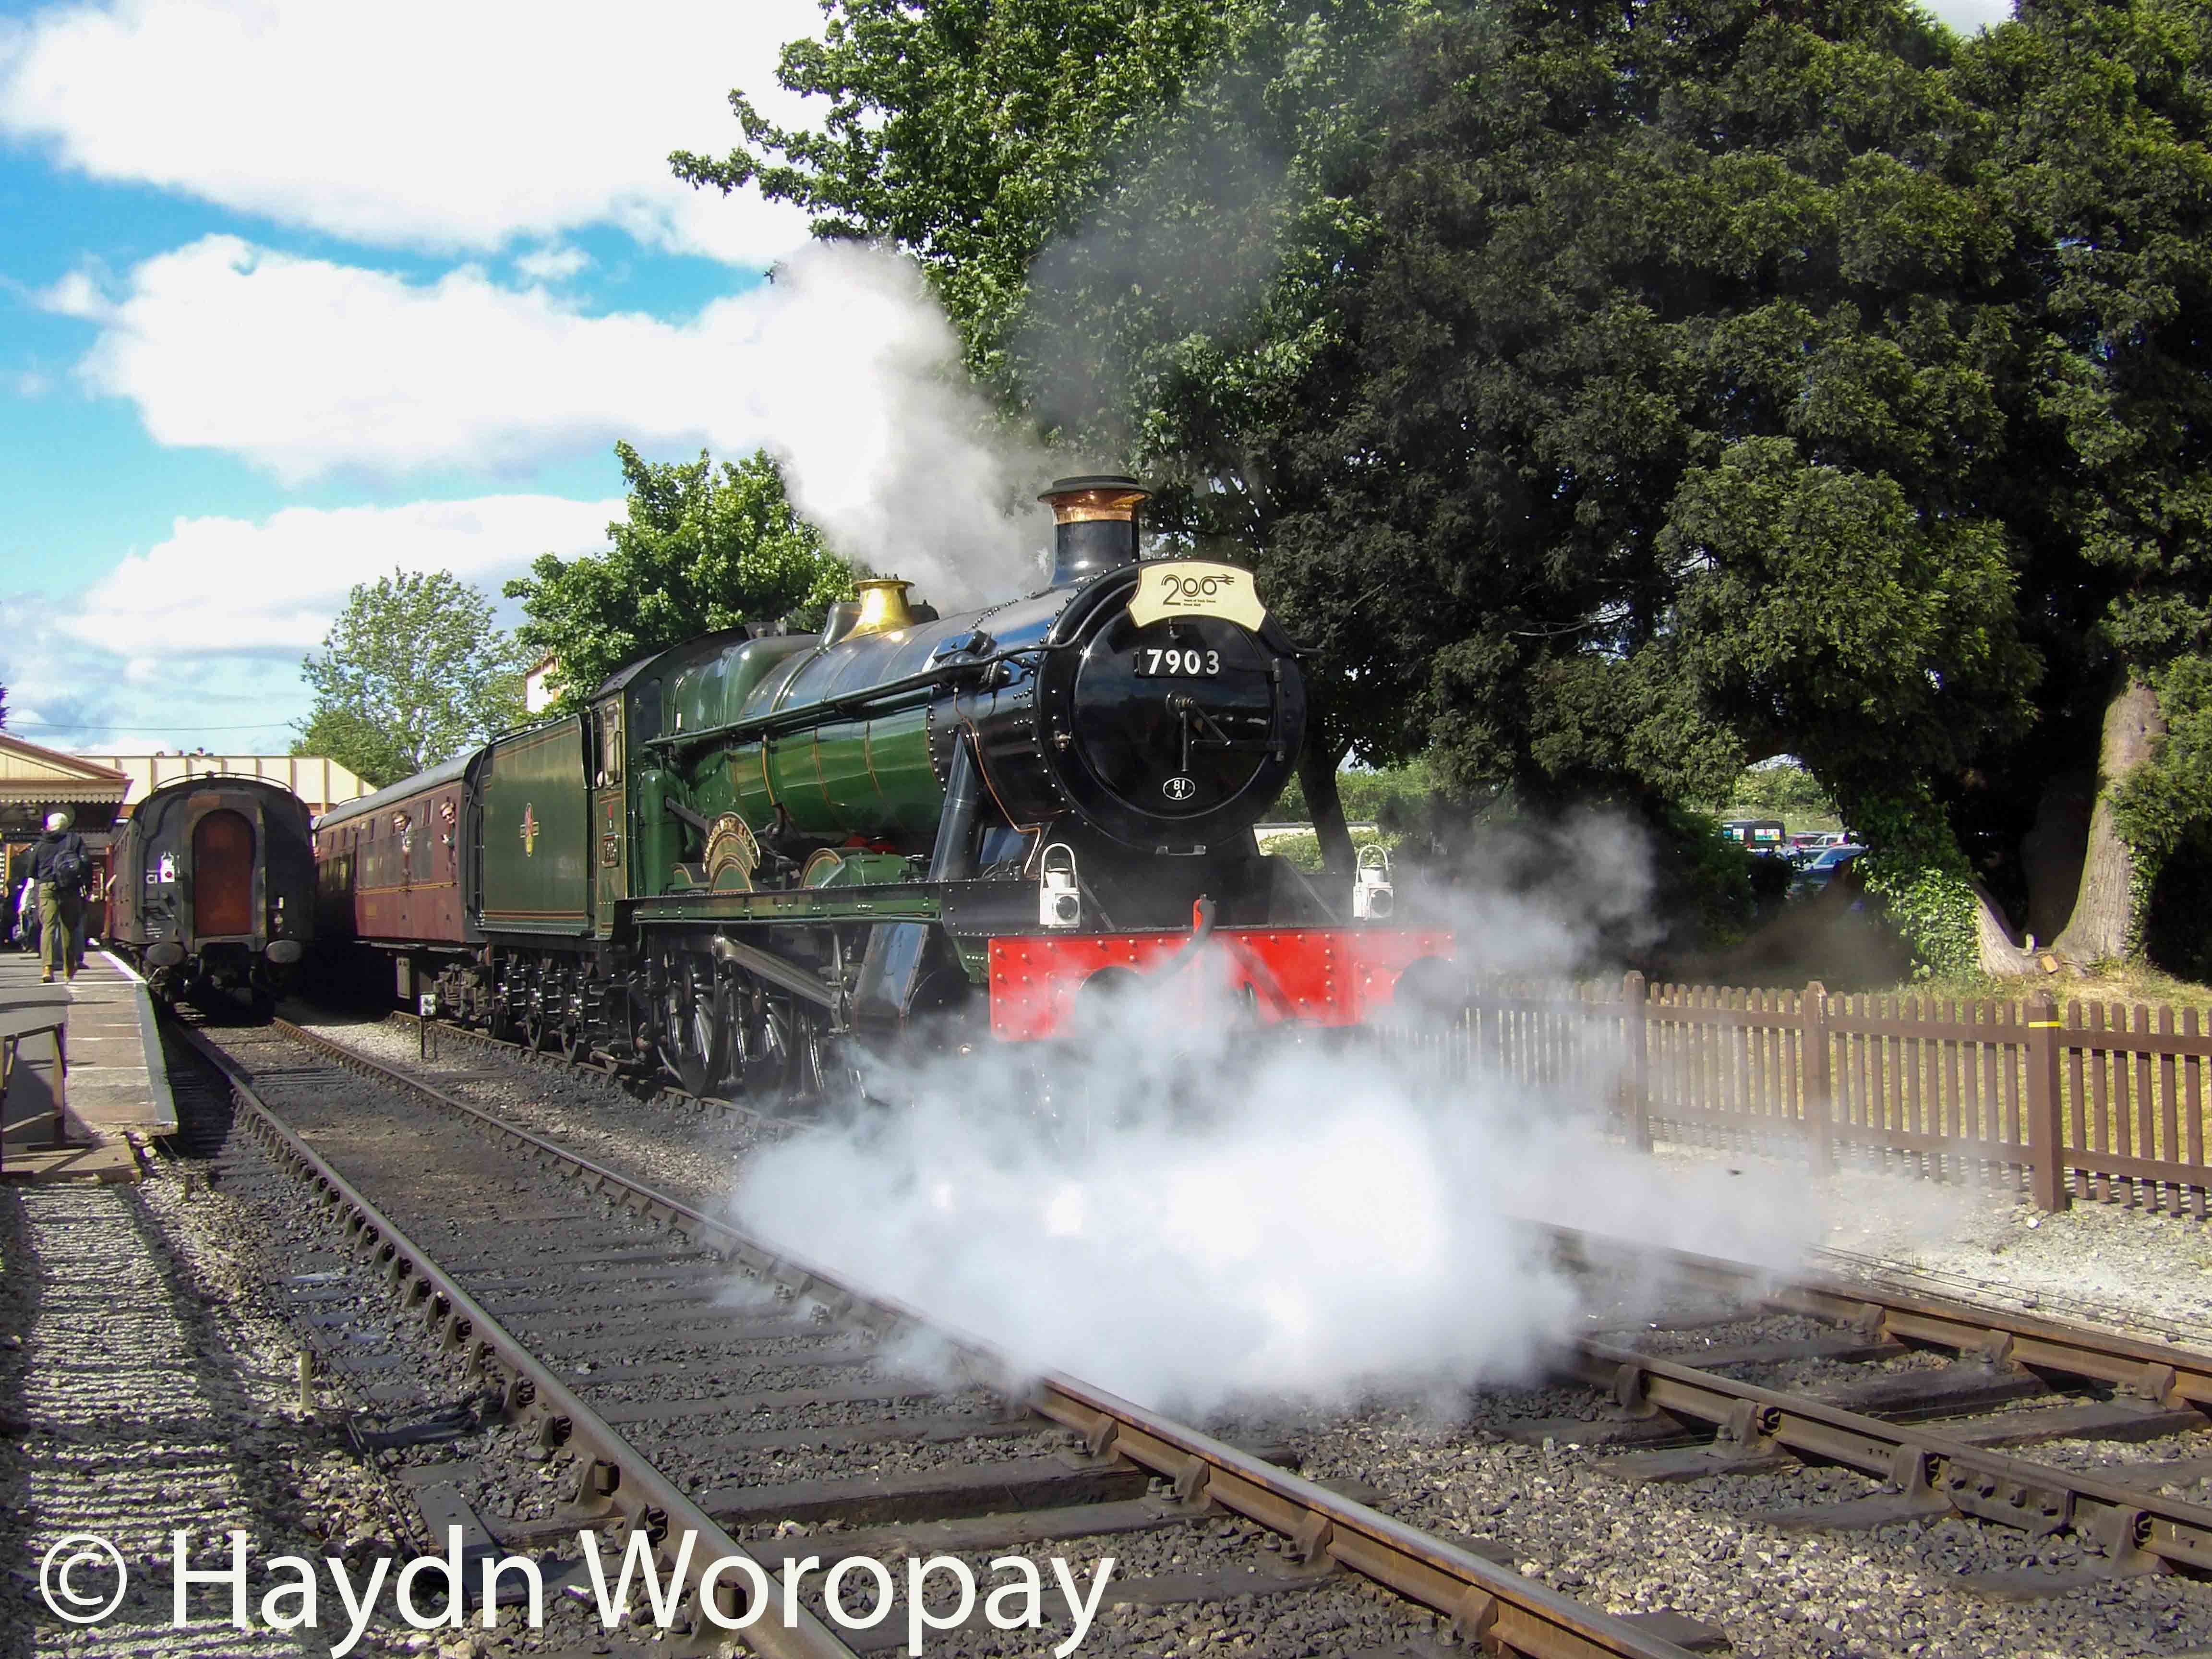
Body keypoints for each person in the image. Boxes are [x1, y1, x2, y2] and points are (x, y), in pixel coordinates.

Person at [27, 811, 90, 985]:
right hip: (69, 888)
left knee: (48, 927)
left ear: (49, 826)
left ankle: (47, 967)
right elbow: (85, 864)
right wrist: (87, 886)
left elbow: (31, 871)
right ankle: (68, 969)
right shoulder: (75, 840)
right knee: (68, 928)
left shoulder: (41, 844)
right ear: (66, 825)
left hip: (47, 887)